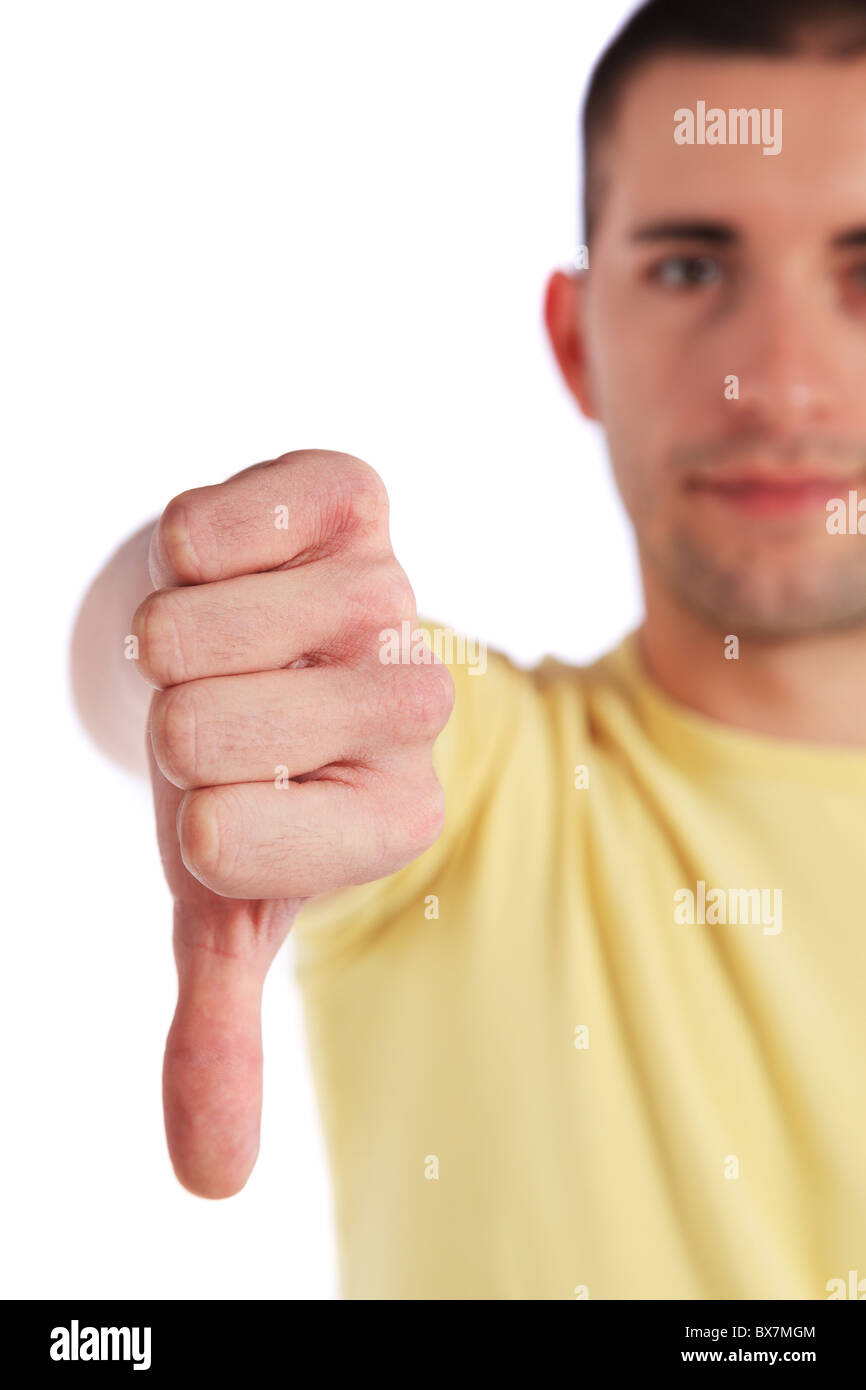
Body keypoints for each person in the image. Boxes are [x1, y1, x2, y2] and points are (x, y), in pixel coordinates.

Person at [72, 0, 866, 1299]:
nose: (775, 381)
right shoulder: (456, 783)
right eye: (688, 267)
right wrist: (185, 623)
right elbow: (250, 685)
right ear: (574, 340)